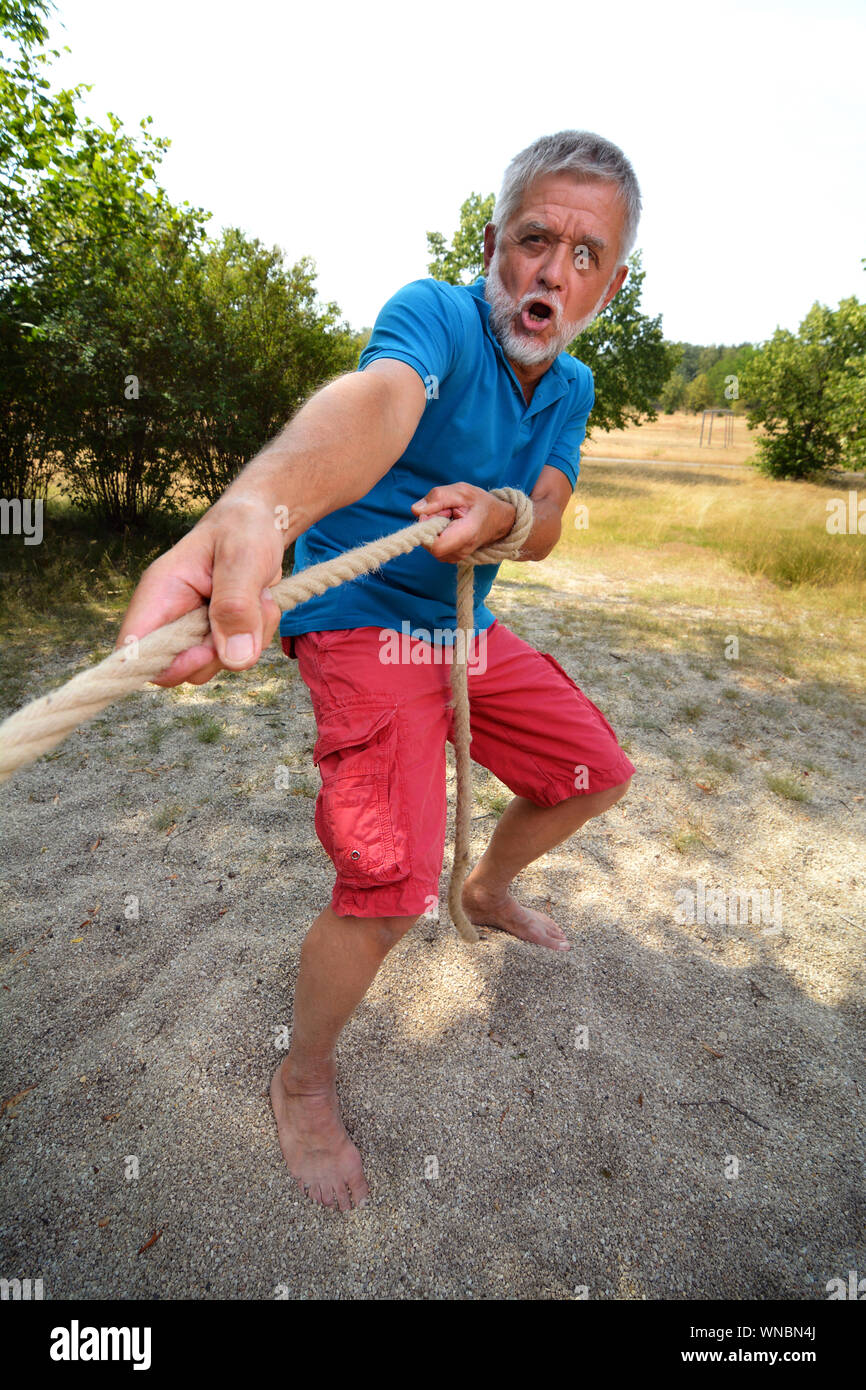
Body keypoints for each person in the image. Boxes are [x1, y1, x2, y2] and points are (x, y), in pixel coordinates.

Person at [116, 130, 640, 1213]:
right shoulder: (437, 318)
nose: (552, 271)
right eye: (536, 238)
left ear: (611, 282)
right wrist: (257, 511)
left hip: (459, 634)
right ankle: (300, 1080)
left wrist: (499, 514)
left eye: (585, 256)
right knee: (387, 882)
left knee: (593, 770)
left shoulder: (571, 384)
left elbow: (542, 518)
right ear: (491, 240)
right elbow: (377, 404)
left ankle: (487, 887)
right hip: (360, 621)